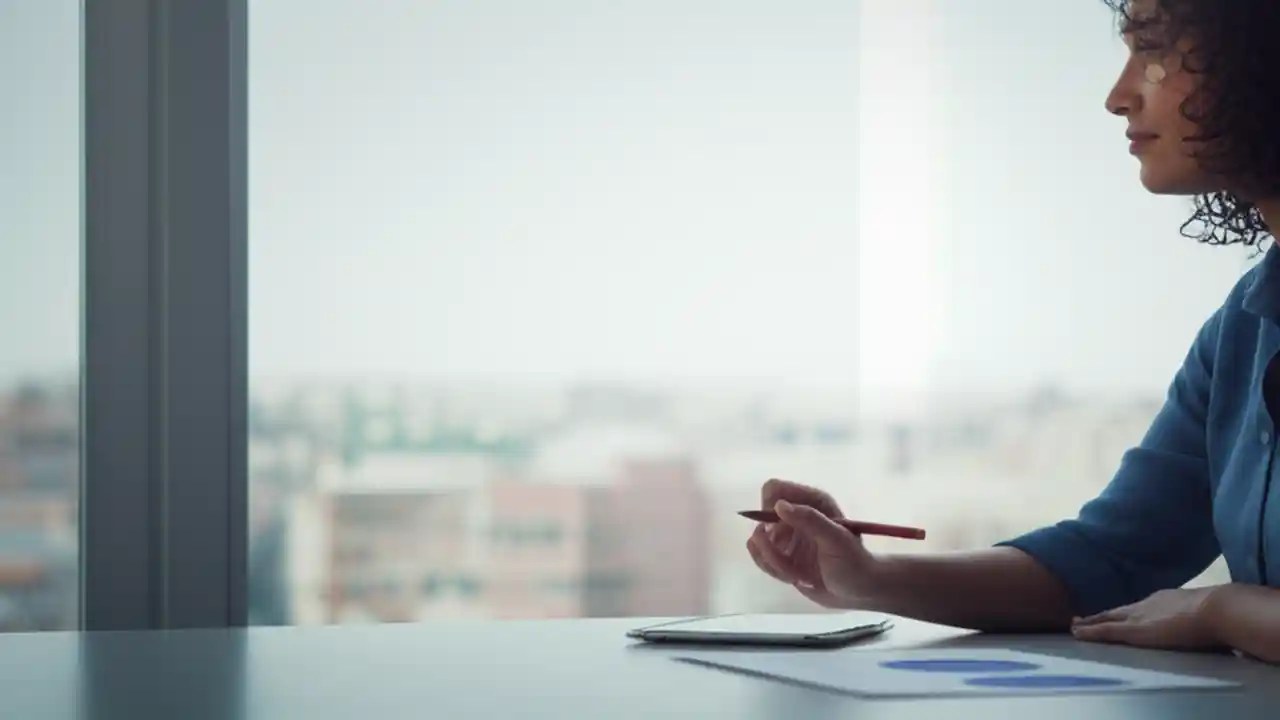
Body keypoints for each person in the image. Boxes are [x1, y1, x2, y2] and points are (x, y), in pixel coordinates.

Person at [746, 0, 1280, 663]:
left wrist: (1221, 608)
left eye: (1155, 50)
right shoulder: (1245, 328)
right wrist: (870, 576)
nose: (1118, 97)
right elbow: (1109, 560)